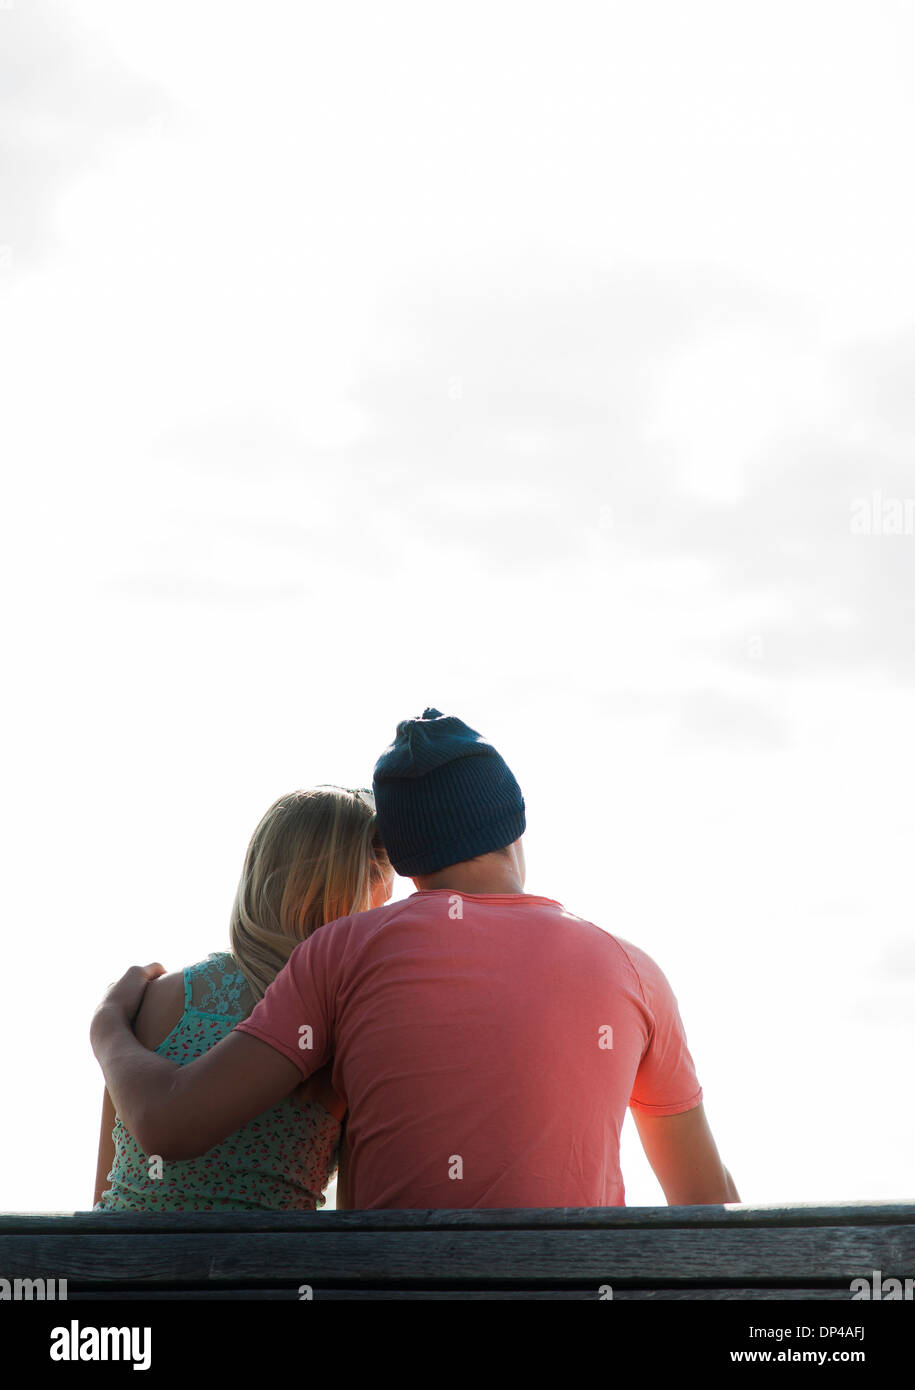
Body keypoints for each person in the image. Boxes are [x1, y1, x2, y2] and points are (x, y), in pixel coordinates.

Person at [92, 709, 739, 1209]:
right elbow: (708, 1205)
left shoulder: (342, 952)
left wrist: (108, 1030)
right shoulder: (634, 972)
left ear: (398, 863)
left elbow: (173, 1127)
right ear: (514, 828)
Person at [92, 786, 393, 1211]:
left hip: (114, 1270)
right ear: (364, 891)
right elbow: (357, 1222)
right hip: (267, 1275)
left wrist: (106, 1021)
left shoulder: (148, 1002)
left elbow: (108, 1196)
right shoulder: (346, 1024)